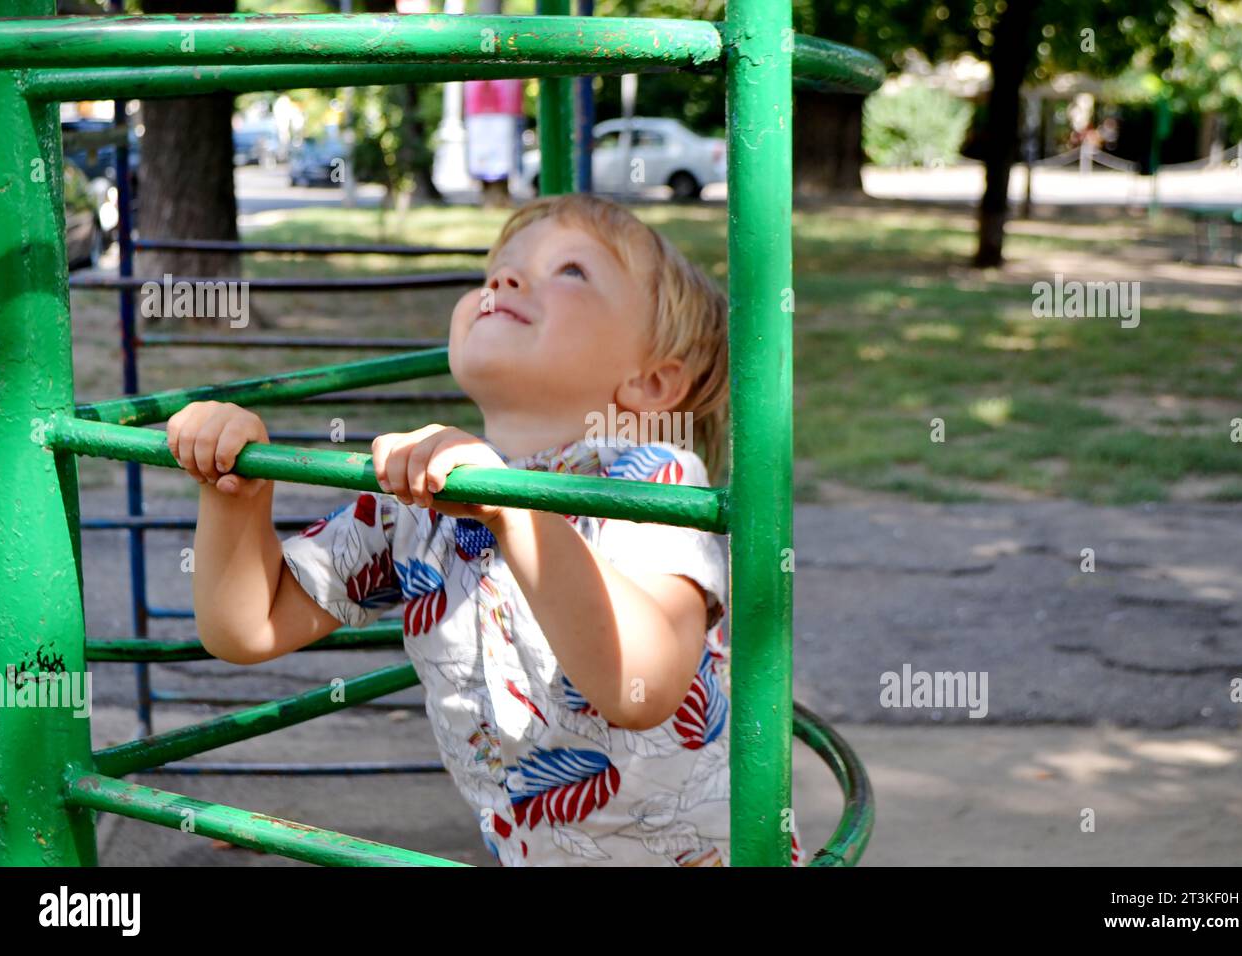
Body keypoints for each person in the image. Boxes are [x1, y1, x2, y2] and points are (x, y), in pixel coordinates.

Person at [165, 193, 807, 867]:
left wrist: (512, 510)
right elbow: (248, 626)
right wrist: (235, 491)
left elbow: (640, 685)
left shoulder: (651, 479)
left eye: (571, 271)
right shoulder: (421, 498)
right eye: (497, 269)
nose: (505, 279)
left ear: (651, 382)